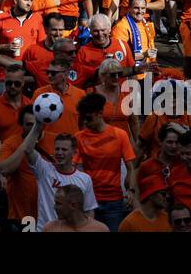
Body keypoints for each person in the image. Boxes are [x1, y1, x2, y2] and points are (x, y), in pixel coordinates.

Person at [13, 119, 97, 229]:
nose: (59, 153)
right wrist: (38, 125)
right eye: (57, 149)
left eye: (64, 149)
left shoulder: (85, 179)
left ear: (74, 152)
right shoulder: (44, 170)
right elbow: (28, 149)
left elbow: (89, 210)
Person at [74, 91, 137, 231]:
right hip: (89, 200)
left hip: (114, 200)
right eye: (83, 118)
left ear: (99, 113)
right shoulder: (79, 138)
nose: (85, 122)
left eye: (89, 118)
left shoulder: (120, 135)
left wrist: (131, 190)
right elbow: (76, 169)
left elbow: (131, 168)